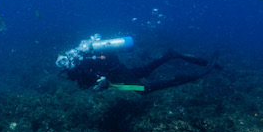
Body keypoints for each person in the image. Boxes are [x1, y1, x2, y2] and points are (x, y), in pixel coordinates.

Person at [56, 34, 217, 94]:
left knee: (143, 89)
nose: (68, 75)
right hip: (117, 70)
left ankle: (183, 79)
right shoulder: (79, 64)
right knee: (144, 71)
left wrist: (103, 81)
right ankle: (170, 55)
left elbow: (99, 75)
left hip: (116, 75)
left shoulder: (80, 66)